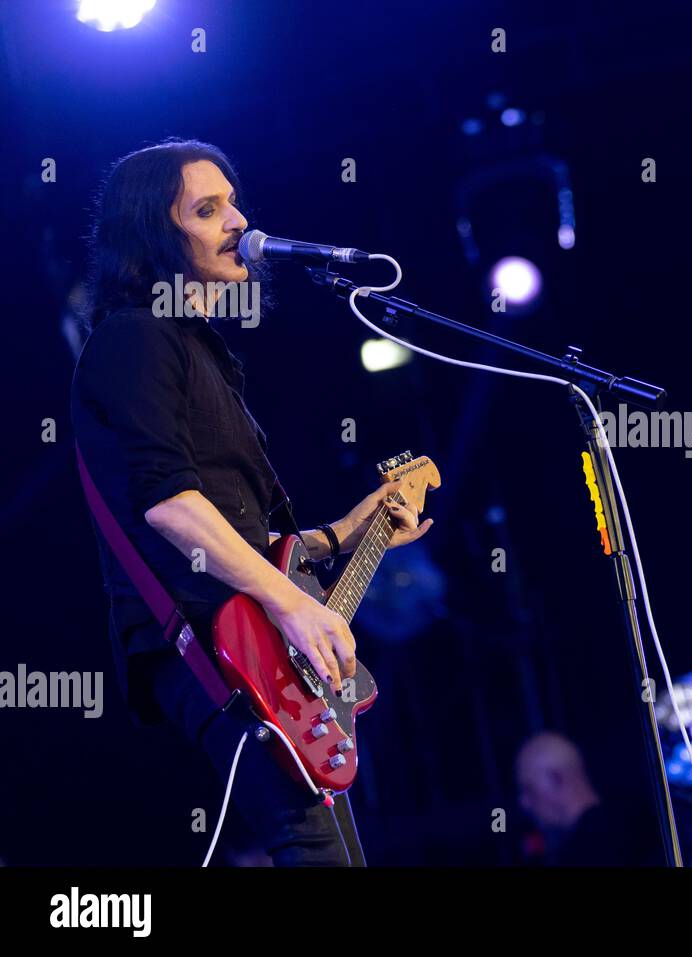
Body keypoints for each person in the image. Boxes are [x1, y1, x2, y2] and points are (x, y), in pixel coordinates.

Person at [71, 138, 432, 866]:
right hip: (204, 638)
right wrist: (294, 603)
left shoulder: (199, 349)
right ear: (154, 233)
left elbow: (235, 529)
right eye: (207, 210)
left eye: (233, 202)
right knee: (310, 848)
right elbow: (169, 504)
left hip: (247, 630)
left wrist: (341, 535)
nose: (239, 221)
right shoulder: (133, 338)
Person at [515, 732, 658, 866]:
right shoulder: (639, 821)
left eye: (529, 789)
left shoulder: (585, 852)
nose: (524, 803)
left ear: (555, 778)